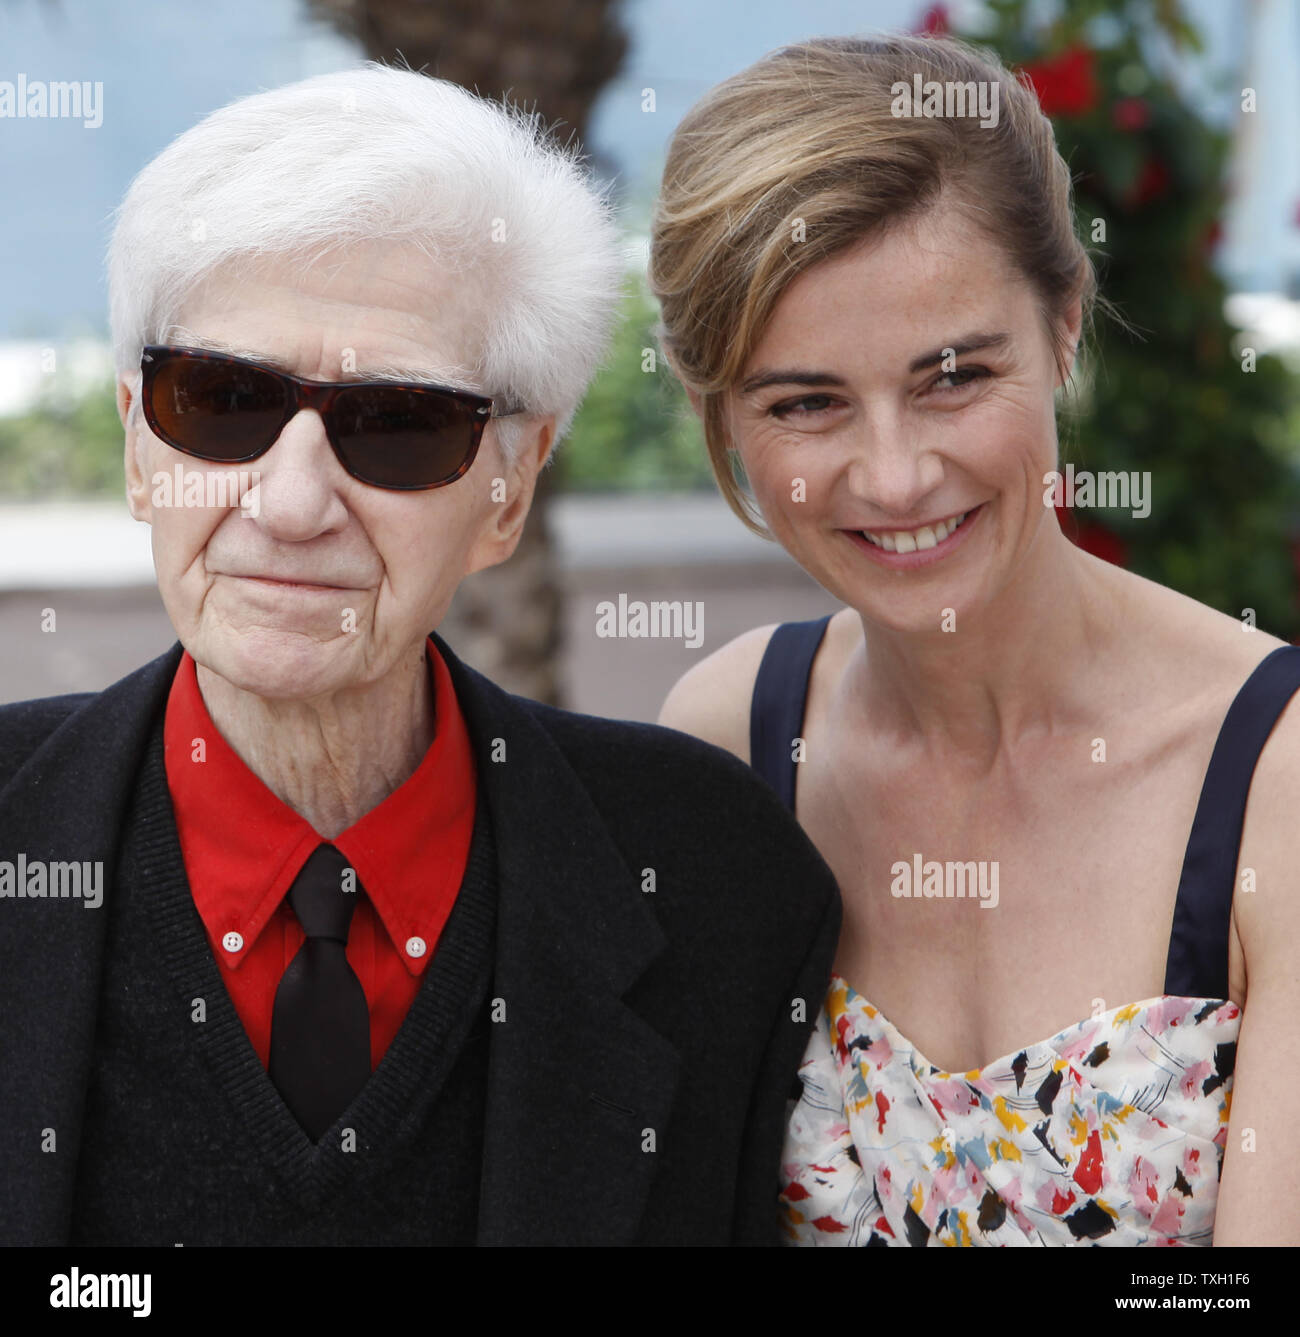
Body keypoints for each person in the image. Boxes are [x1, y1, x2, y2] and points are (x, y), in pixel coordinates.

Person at [0, 63, 840, 1247]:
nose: (291, 504)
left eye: (397, 423)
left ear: (511, 487)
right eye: (222, 397)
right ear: (140, 447)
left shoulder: (717, 884)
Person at [651, 33, 1300, 1246]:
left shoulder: (1277, 779)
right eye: (805, 402)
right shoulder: (731, 738)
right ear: (720, 417)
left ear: (1064, 326)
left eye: (952, 375)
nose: (894, 475)